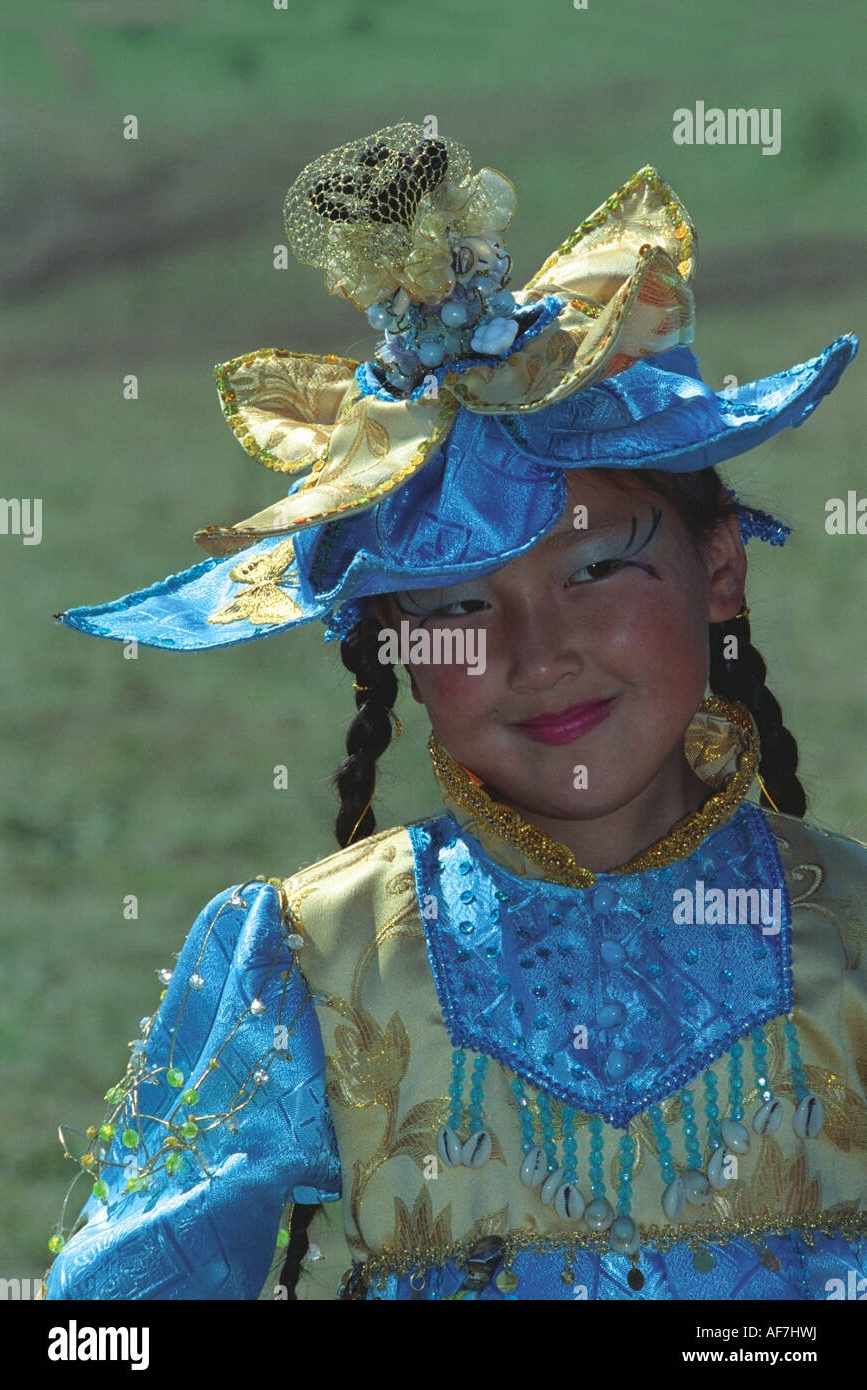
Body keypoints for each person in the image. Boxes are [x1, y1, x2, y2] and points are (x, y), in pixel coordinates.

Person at [44, 124, 865, 1301]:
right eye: (462, 604)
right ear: (398, 648)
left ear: (718, 570)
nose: (538, 655)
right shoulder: (313, 962)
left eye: (593, 572)